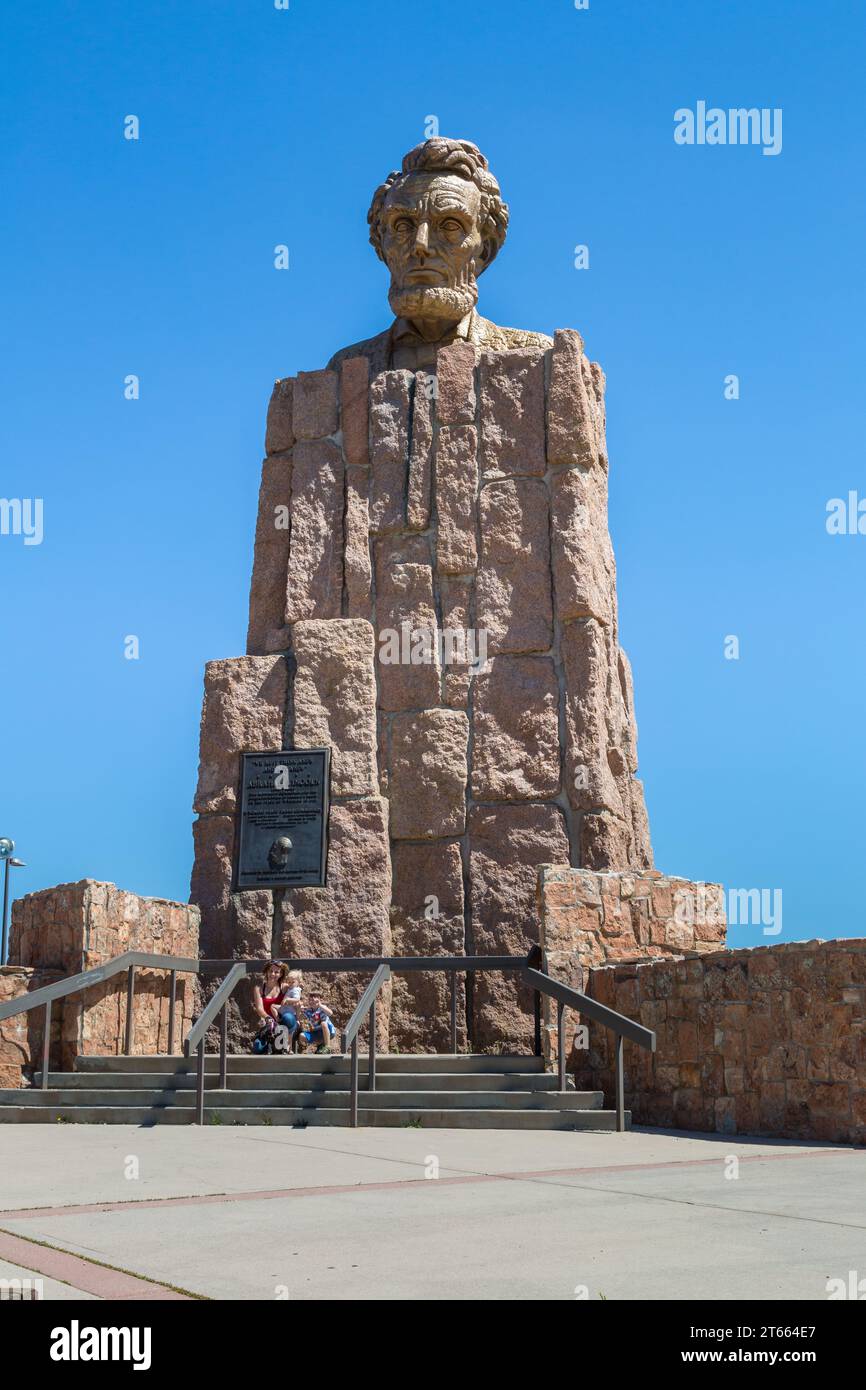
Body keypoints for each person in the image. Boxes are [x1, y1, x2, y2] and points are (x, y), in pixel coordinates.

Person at [251, 961, 299, 1054]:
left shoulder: (285, 987)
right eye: (271, 971)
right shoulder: (259, 988)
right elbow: (259, 1009)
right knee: (258, 1048)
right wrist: (267, 1017)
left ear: (281, 974)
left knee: (288, 1017)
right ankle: (274, 1045)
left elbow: (297, 996)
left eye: (277, 972)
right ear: (266, 972)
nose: (273, 974)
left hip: (284, 1022)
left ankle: (288, 1046)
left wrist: (298, 1011)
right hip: (269, 1025)